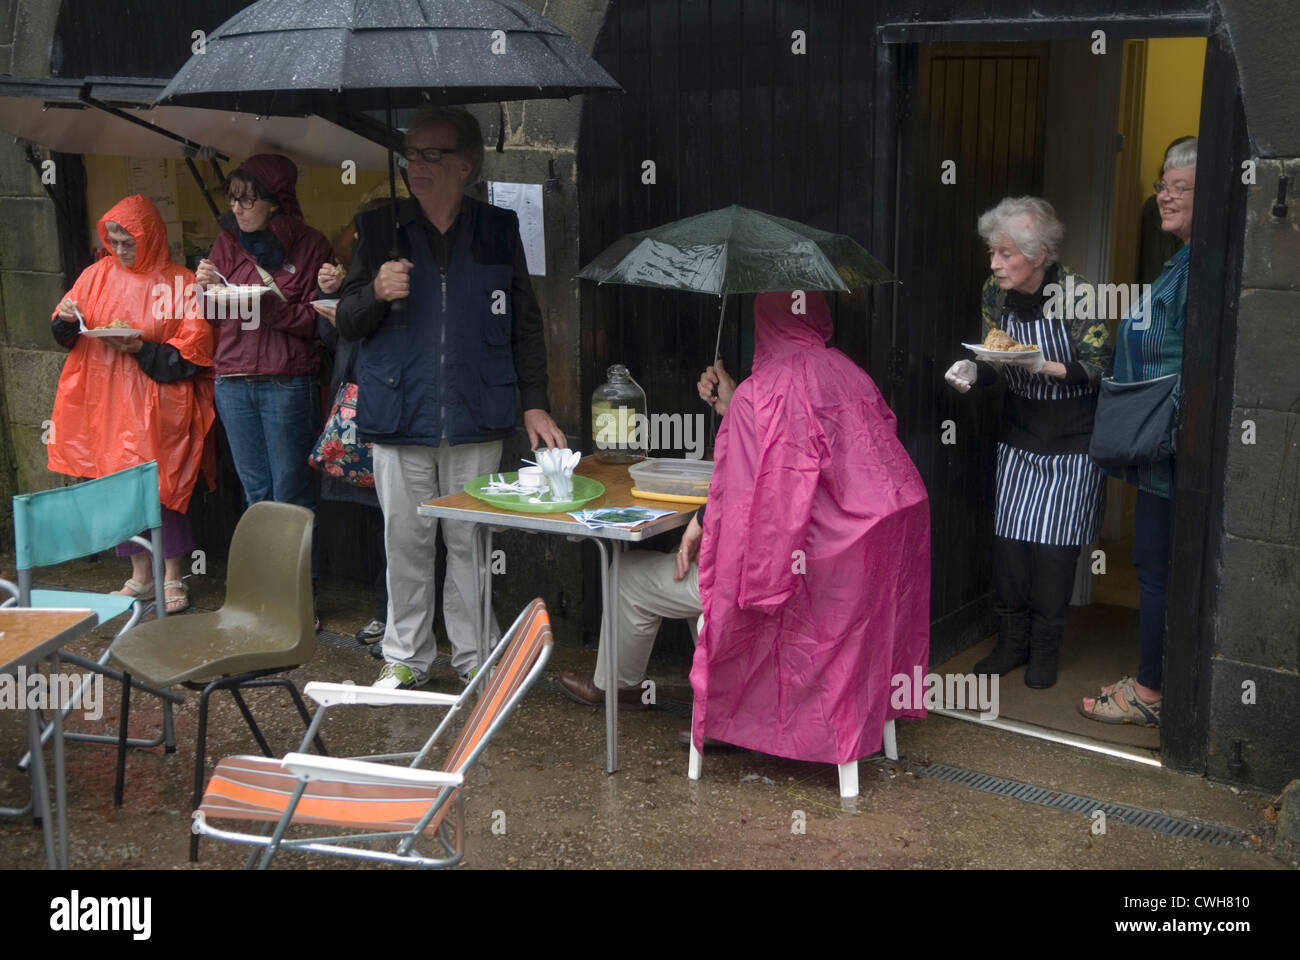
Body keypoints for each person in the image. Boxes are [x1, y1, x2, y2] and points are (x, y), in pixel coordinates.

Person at [336, 106, 565, 690]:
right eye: (410, 154)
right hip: (399, 410)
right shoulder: (377, 228)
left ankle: (476, 658)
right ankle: (406, 657)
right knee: (405, 542)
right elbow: (345, 321)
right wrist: (376, 293)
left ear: (465, 165)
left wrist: (533, 401)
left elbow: (525, 322)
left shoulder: (498, 229)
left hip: (475, 411)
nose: (416, 165)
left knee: (471, 543)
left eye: (430, 154)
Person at [690, 291, 930, 763]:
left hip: (808, 585)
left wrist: (700, 529)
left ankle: (724, 716)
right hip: (867, 571)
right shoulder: (850, 373)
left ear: (763, 319)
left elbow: (743, 515)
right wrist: (735, 403)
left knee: (686, 588)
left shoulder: (759, 397)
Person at [944, 197, 1113, 688]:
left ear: (1038, 254)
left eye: (1005, 254)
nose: (994, 264)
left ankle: (1045, 649)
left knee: (1054, 555)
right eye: (992, 253)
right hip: (1020, 435)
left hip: (1073, 442)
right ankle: (1011, 643)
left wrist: (1046, 367)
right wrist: (973, 371)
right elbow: (997, 359)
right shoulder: (994, 295)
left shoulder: (1080, 294)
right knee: (1012, 551)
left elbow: (1104, 368)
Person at [48, 195, 215, 613]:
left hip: (159, 401)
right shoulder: (94, 275)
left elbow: (192, 352)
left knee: (165, 489)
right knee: (118, 488)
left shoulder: (180, 283)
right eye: (115, 241)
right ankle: (141, 575)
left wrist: (141, 348)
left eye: (129, 242)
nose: (120, 250)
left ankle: (174, 575)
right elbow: (65, 332)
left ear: (151, 238)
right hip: (107, 399)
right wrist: (67, 318)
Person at [1080, 139, 1197, 727]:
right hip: (1157, 444)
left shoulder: (1201, 266)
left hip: (1169, 447)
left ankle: (1151, 694)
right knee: (1155, 562)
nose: (1164, 196)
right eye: (1162, 184)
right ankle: (1156, 679)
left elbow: (1203, 366)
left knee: (1153, 563)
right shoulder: (1180, 261)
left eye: (1180, 186)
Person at [194, 155, 333, 623]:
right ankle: (263, 599)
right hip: (232, 382)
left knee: (291, 494)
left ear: (275, 202)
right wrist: (203, 289)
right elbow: (212, 316)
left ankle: (299, 601)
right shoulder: (225, 243)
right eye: (233, 198)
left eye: (248, 198)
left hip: (286, 382)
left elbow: (319, 323)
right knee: (256, 496)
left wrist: (273, 309)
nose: (238, 208)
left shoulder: (312, 246)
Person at [315, 184, 410, 650]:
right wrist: (332, 305)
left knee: (405, 521)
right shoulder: (358, 276)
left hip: (396, 410)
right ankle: (385, 611)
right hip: (361, 408)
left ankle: (400, 616)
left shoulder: (406, 278)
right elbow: (335, 342)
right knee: (381, 521)